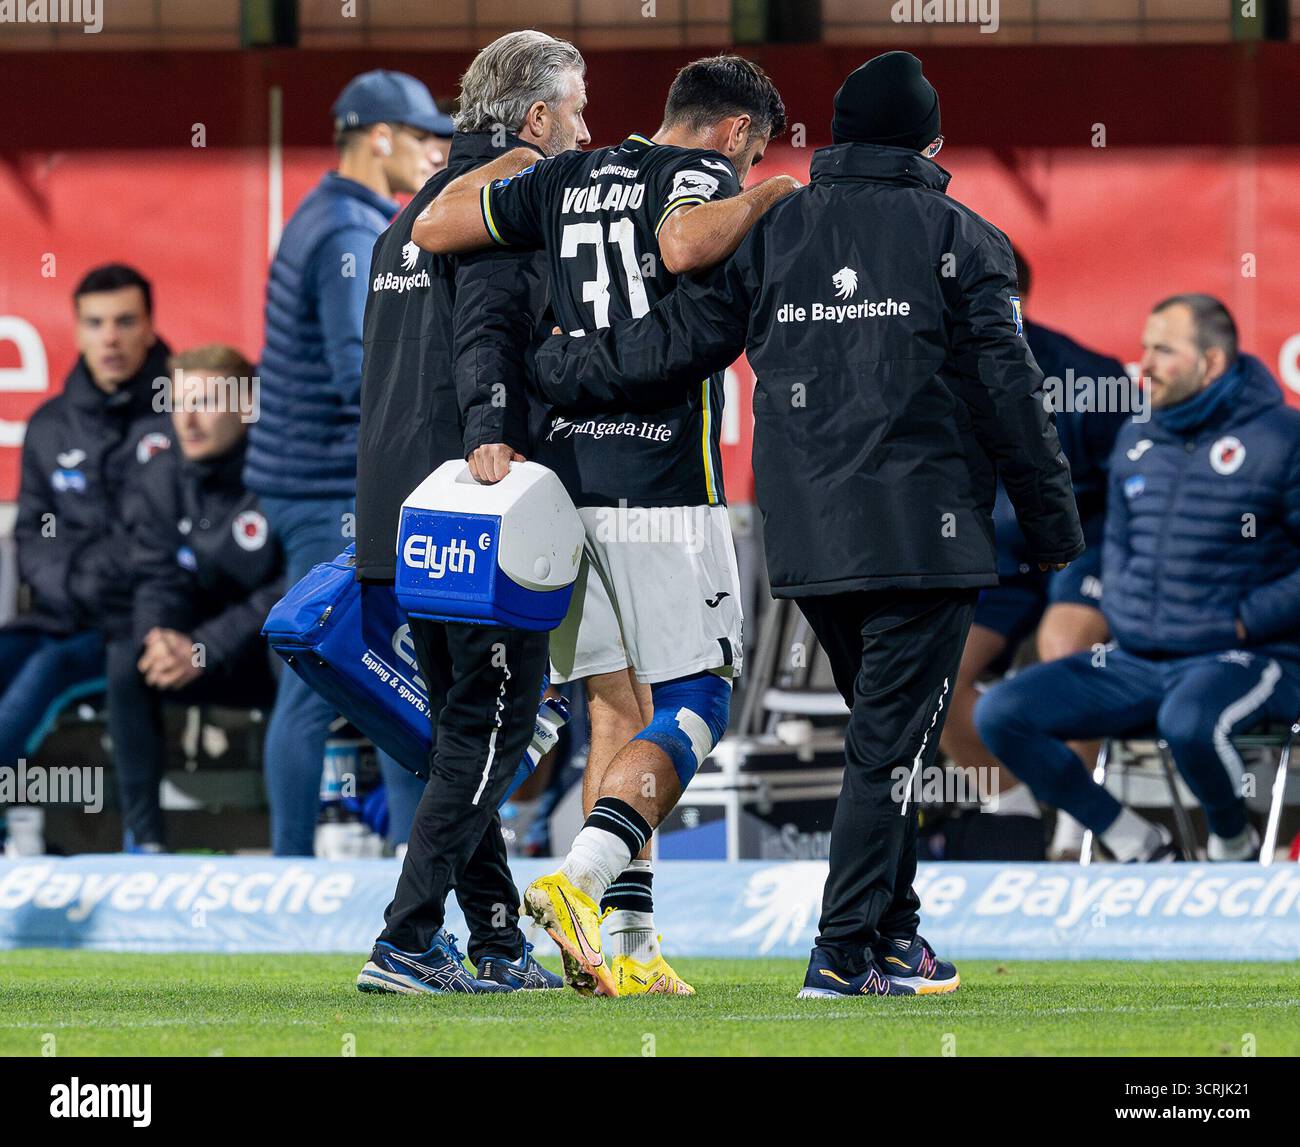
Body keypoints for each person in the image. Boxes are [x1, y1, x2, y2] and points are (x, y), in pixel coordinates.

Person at [532, 51, 1084, 996]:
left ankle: (896, 937)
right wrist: (1053, 529)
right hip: (924, 539)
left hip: (808, 542)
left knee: (885, 740)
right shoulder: (965, 236)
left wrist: (548, 370)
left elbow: (672, 343)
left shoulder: (775, 230)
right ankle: (840, 954)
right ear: (931, 143)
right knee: (889, 747)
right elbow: (1011, 397)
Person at [415, 53, 795, 996]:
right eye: (755, 155)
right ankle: (581, 882)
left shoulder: (566, 177)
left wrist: (510, 179)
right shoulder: (705, 175)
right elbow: (684, 247)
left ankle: (624, 950)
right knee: (701, 700)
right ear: (737, 132)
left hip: (570, 486)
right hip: (664, 487)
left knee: (615, 711)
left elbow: (436, 222)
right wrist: (773, 194)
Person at [353, 31, 590, 995]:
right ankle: (407, 937)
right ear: (535, 119)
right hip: (475, 508)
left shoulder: (397, 223)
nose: (587, 127)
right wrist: (501, 426)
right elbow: (488, 337)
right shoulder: (503, 211)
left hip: (398, 510)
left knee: (464, 733)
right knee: (490, 728)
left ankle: (493, 940)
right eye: (576, 109)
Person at [976, 296, 1300, 863]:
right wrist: (1124, 610)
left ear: (1212, 362)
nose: (1144, 363)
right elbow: (1117, 540)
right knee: (1002, 714)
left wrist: (1244, 621)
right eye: (1146, 346)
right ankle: (1132, 840)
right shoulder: (1138, 437)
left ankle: (1232, 845)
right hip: (1140, 660)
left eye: (1164, 351)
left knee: (1189, 722)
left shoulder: (1282, 438)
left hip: (1246, 659)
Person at [245, 70, 453, 856]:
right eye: (423, 136)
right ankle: (291, 872)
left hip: (322, 485)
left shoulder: (343, 214)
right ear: (379, 138)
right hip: (326, 489)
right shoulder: (345, 230)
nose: (436, 150)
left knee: (385, 680)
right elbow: (359, 370)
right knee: (320, 679)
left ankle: (410, 863)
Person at [938, 245, 1130, 859]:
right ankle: (1015, 805)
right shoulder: (931, 373)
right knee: (925, 677)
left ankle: (1080, 830)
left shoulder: (1090, 377)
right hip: (996, 558)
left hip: (1083, 547)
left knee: (1065, 649)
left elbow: (1134, 492)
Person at [2, 264, 172, 854]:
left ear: (149, 328)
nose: (110, 338)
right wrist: (73, 587)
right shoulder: (51, 424)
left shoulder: (178, 414)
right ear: (75, 331)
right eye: (95, 323)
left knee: (39, 680)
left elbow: (166, 537)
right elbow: (31, 537)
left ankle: (141, 845)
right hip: (62, 615)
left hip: (135, 624)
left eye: (125, 322)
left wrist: (94, 584)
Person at [106, 345, 283, 852]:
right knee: (127, 660)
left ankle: (293, 842)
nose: (187, 419)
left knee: (293, 660)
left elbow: (291, 585)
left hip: (260, 653)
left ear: (246, 405)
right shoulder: (163, 475)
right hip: (190, 657)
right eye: (178, 402)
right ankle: (144, 844)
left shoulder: (279, 476)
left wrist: (208, 644)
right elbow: (157, 576)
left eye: (205, 401)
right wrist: (159, 637)